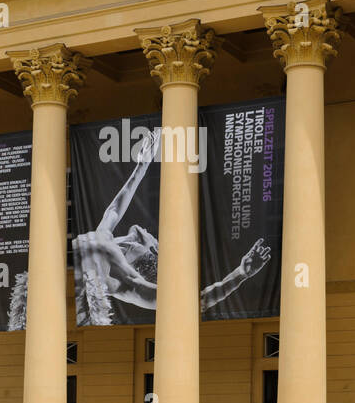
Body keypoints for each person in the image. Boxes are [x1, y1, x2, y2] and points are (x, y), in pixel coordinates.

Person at [71, 129, 272, 325]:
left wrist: (240, 274)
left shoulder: (124, 279)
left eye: (154, 237)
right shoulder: (105, 237)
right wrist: (143, 164)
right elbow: (115, 209)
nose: (149, 232)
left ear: (154, 249)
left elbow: (192, 302)